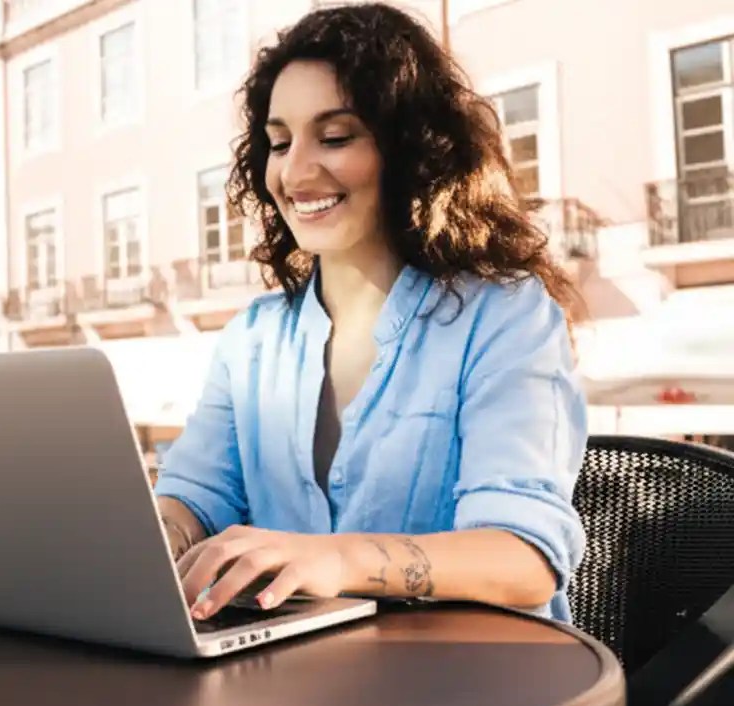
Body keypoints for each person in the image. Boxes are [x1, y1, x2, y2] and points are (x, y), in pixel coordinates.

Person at [153, 2, 588, 623]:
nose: (295, 171)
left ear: (412, 148)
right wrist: (149, 538)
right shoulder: (252, 340)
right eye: (279, 143)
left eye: (335, 137)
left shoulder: (504, 316)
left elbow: (525, 556)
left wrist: (339, 560)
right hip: (300, 685)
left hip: (481, 686)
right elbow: (194, 497)